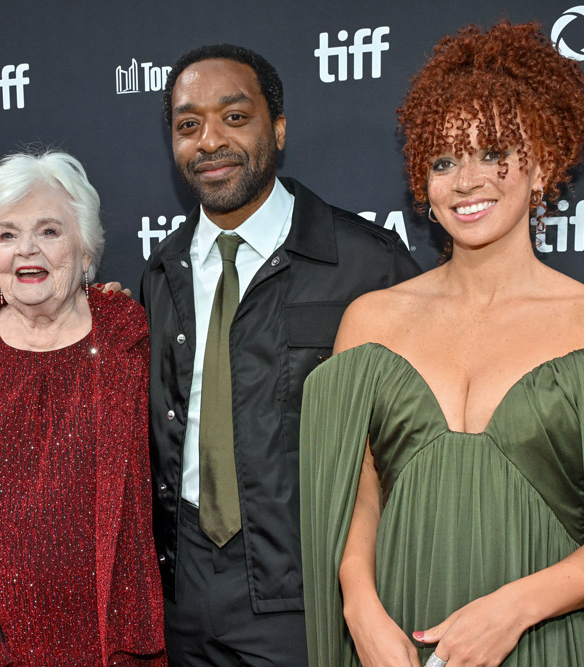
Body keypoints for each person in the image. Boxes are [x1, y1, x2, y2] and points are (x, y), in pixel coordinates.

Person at [300, 22, 584, 667]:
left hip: (545, 638)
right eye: (443, 161)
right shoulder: (371, 320)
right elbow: (357, 487)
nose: (465, 181)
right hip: (398, 633)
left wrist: (513, 610)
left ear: (541, 166)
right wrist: (359, 606)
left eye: (492, 153)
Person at [140, 44, 421, 664]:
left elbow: (445, 407)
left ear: (280, 129)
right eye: (189, 125)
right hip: (181, 593)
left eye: (234, 117)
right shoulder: (161, 271)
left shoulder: (367, 263)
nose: (210, 140)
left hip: (311, 591)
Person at [0, 150, 166, 667]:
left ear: (86, 249)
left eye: (49, 231)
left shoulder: (127, 330)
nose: (26, 250)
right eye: (7, 235)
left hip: (112, 634)